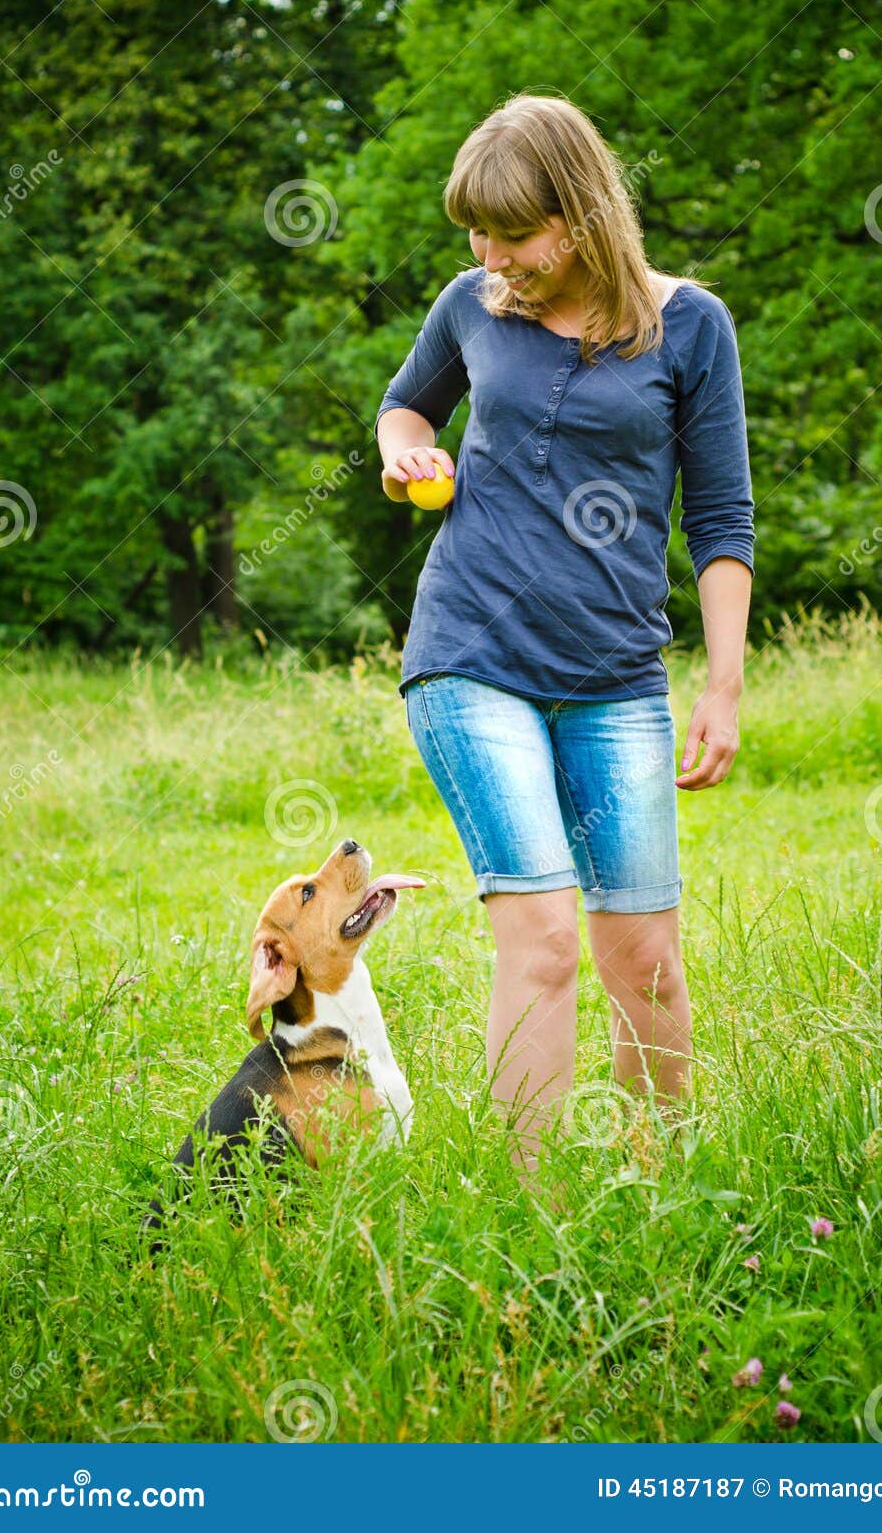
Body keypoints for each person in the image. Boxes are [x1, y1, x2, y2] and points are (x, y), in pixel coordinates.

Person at [374, 93, 754, 1179]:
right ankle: (531, 1209)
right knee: (539, 945)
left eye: (514, 232)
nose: (493, 254)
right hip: (470, 652)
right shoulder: (470, 304)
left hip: (616, 675)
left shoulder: (690, 327)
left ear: (582, 216)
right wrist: (406, 450)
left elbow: (721, 517)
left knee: (646, 965)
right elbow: (406, 407)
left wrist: (721, 684)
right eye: (475, 233)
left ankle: (656, 1196)